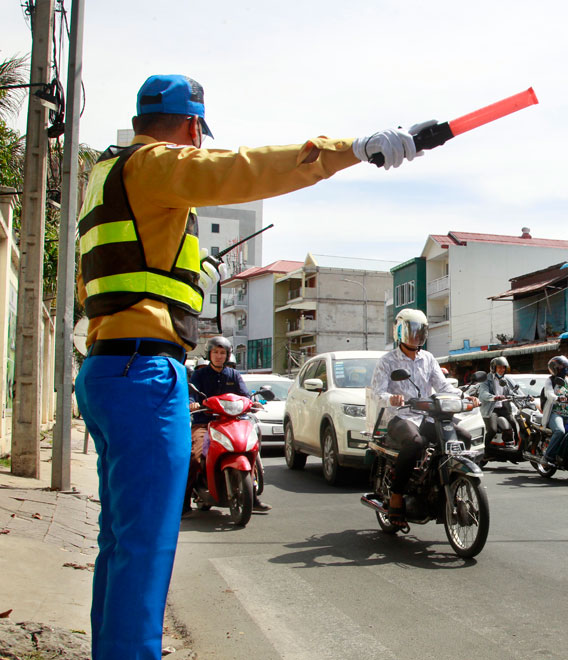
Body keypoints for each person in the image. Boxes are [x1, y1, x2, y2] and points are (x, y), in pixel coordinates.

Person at [73, 74, 430, 660]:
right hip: (144, 373)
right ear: (192, 126)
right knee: (145, 547)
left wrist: (193, 272)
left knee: (119, 542)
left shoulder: (105, 174)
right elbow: (245, 168)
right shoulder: (157, 163)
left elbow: (124, 271)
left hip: (106, 370)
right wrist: (352, 149)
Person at [369, 309, 479, 525]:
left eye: (420, 331)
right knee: (416, 442)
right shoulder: (387, 361)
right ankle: (397, 496)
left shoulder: (428, 358)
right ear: (399, 332)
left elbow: (443, 386)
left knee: (463, 437)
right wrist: (391, 399)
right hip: (400, 417)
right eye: (411, 330)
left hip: (427, 416)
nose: (416, 335)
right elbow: (377, 392)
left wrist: (465, 396)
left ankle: (445, 485)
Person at [187, 335, 270, 513]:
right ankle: (185, 503)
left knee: (249, 450)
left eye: (222, 353)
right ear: (209, 354)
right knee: (194, 457)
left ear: (227, 355)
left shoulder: (234, 375)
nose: (219, 356)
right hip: (205, 423)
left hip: (232, 422)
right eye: (215, 352)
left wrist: (253, 403)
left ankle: (253, 497)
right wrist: (192, 403)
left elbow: (244, 396)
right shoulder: (199, 375)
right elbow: (192, 395)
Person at [478, 356, 520, 447]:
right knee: (492, 430)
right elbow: (483, 393)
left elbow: (510, 392)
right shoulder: (486, 379)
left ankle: (517, 445)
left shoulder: (504, 379)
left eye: (503, 367)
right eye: (499, 367)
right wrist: (495, 397)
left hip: (503, 407)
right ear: (494, 368)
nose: (502, 370)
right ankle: (486, 448)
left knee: (515, 424)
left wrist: (523, 397)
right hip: (491, 409)